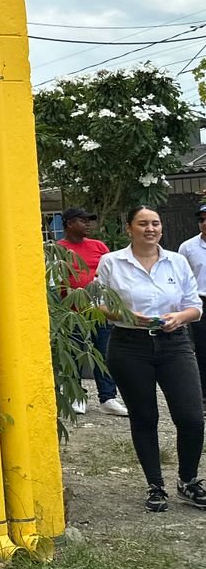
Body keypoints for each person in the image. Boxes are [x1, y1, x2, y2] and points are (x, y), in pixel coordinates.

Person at [94, 206, 205, 513]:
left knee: (192, 417)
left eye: (155, 223)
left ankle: (188, 480)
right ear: (129, 227)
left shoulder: (177, 261)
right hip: (130, 345)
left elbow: (194, 305)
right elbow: (98, 302)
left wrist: (179, 316)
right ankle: (155, 485)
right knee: (145, 418)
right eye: (142, 223)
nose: (150, 228)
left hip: (175, 343)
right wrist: (128, 316)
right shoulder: (112, 262)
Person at [56, 206, 126, 415]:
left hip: (100, 309)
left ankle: (108, 398)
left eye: (89, 221)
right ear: (69, 224)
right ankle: (77, 396)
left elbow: (113, 272)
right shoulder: (59, 248)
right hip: (71, 310)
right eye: (82, 220)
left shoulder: (98, 246)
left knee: (103, 352)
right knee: (75, 352)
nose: (88, 224)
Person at [178, 203, 206, 396]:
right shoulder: (188, 247)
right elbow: (181, 279)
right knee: (203, 350)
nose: (204, 223)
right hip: (201, 302)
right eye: (201, 220)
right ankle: (203, 394)